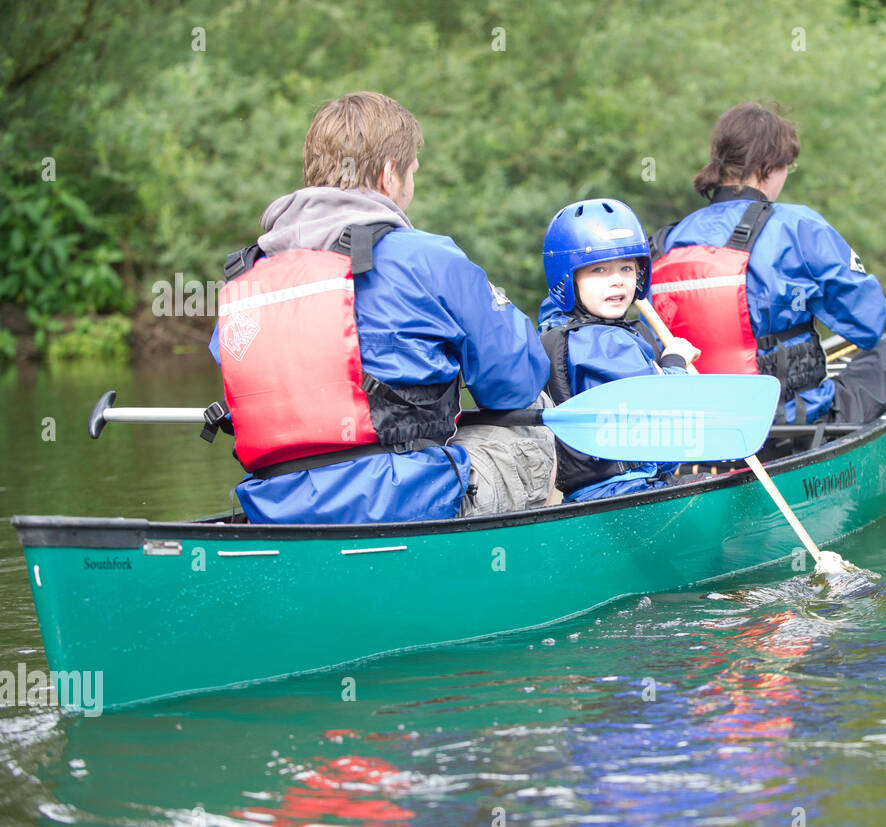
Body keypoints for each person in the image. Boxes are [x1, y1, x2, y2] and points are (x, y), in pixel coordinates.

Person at [207, 91, 555, 524]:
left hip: (275, 509)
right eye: (413, 173)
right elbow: (515, 383)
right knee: (532, 417)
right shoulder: (428, 258)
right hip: (406, 502)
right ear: (391, 174)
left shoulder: (248, 277)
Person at [649, 101, 886, 435]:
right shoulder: (798, 226)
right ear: (768, 167)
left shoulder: (665, 242)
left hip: (698, 431)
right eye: (786, 167)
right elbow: (869, 325)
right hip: (788, 427)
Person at [535, 198, 701, 501]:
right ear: (567, 279)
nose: (617, 282)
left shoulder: (557, 328)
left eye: (626, 268)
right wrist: (675, 361)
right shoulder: (601, 342)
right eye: (599, 270)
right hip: (628, 490)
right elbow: (659, 412)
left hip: (595, 492)